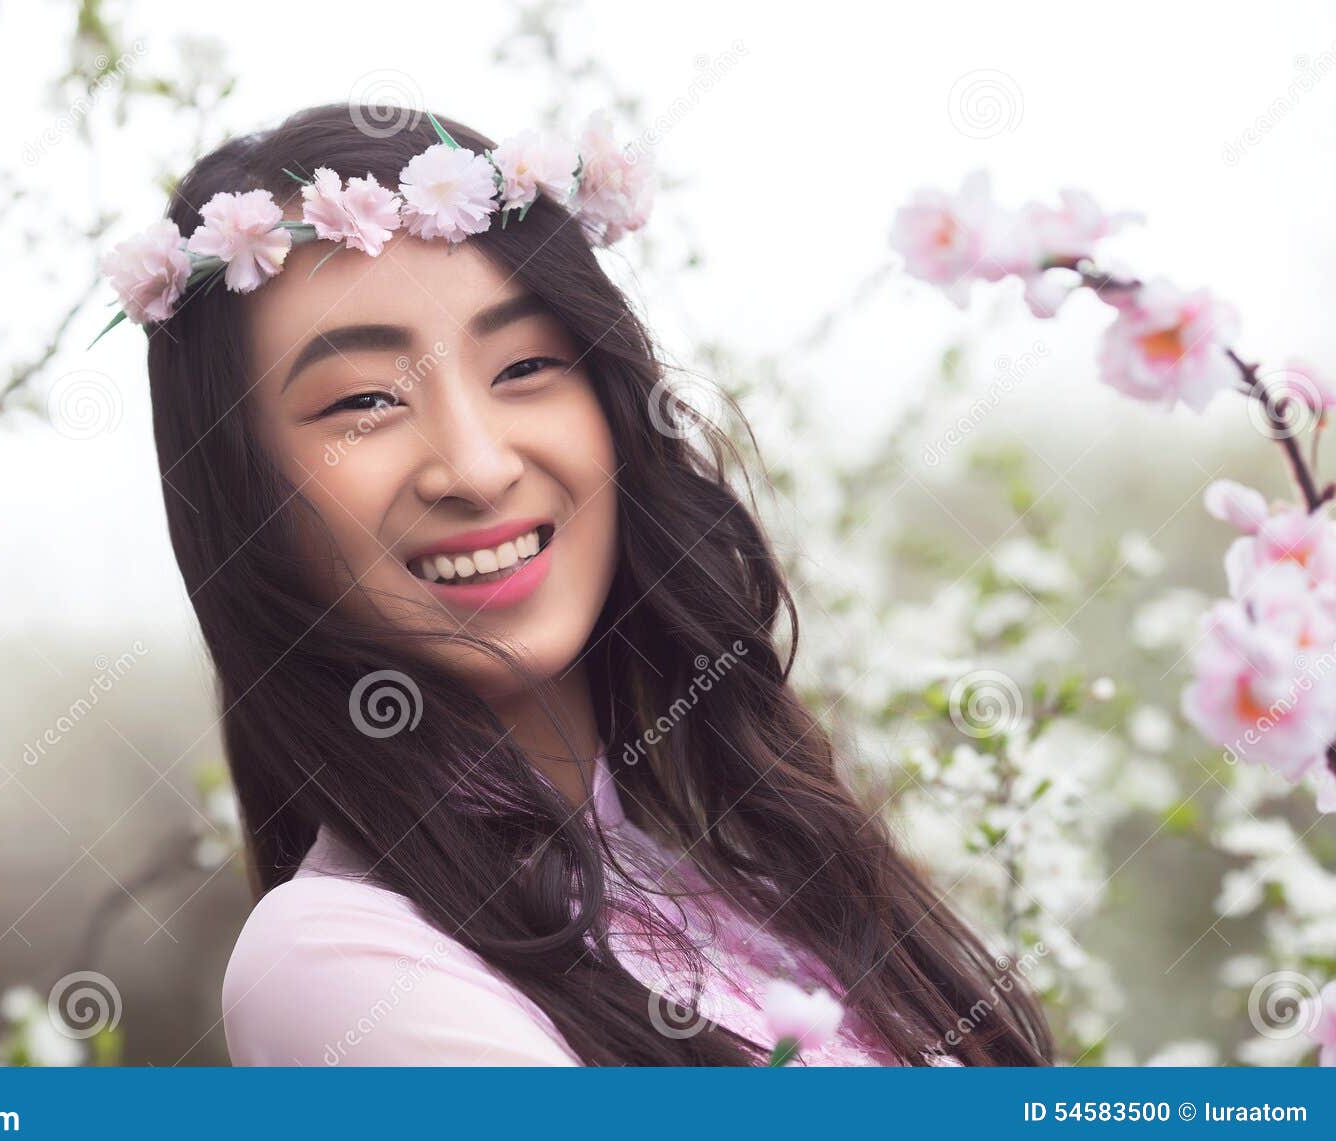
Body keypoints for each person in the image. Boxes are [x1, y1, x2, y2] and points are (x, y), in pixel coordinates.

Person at [103, 102, 1055, 1065]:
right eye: (365, 401)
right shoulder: (340, 965)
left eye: (524, 366)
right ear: (243, 495)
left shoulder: (750, 873)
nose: (476, 468)